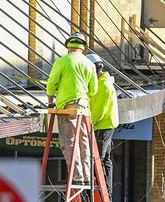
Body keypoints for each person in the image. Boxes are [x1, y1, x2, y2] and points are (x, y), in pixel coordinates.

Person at [46, 33, 97, 183]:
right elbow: (93, 91)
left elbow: (51, 85)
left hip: (67, 106)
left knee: (68, 142)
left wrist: (50, 102)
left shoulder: (62, 62)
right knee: (83, 141)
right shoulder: (90, 64)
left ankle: (77, 177)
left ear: (68, 47)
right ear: (83, 48)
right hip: (84, 106)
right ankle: (87, 175)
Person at [87, 54, 118, 193]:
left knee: (98, 158)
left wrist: (86, 122)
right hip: (102, 126)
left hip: (102, 126)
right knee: (104, 160)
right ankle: (105, 190)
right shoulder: (98, 84)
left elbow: (99, 111)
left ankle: (102, 190)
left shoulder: (104, 86)